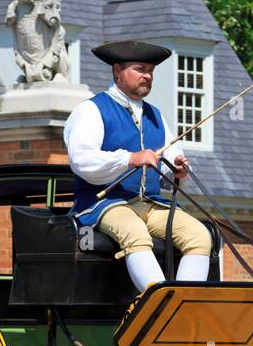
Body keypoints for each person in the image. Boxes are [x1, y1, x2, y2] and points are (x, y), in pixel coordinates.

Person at [64, 39, 213, 292]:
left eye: (151, 71)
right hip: (105, 204)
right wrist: (130, 158)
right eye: (140, 69)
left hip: (151, 204)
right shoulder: (91, 110)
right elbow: (82, 160)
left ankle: (183, 305)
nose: (147, 76)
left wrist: (177, 169)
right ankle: (158, 305)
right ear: (117, 71)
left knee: (200, 235)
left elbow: (168, 162)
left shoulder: (156, 115)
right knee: (135, 232)